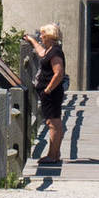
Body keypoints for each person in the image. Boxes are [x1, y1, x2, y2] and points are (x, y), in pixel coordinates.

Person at [23, 23, 65, 163]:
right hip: (50, 93)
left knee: (53, 123)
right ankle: (55, 154)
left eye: (42, 35)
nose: (40, 37)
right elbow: (41, 53)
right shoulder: (51, 50)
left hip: (51, 93)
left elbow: (58, 73)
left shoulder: (55, 52)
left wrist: (47, 89)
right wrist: (32, 40)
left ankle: (52, 156)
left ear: (49, 36)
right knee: (53, 122)